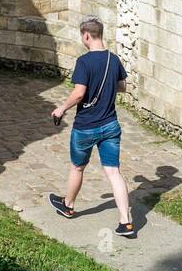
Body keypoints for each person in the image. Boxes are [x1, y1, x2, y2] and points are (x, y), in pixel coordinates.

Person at [48, 16, 135, 237]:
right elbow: (122, 87)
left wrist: (61, 109)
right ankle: (126, 222)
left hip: (86, 127)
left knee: (78, 167)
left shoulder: (84, 62)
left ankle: (68, 205)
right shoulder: (113, 60)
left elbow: (79, 93)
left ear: (86, 35)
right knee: (114, 172)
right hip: (110, 125)